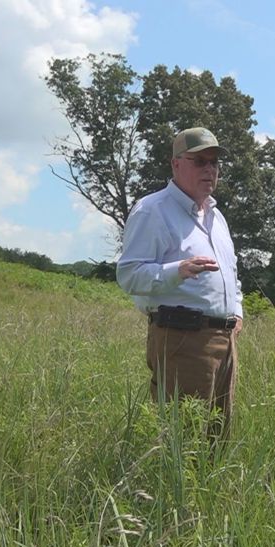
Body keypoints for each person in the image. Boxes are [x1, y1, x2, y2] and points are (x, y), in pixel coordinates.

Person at [117, 126, 243, 446]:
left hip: (224, 340)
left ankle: (209, 496)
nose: (210, 169)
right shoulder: (153, 210)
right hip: (181, 338)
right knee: (182, 440)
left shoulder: (217, 216)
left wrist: (236, 311)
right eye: (200, 161)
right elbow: (129, 275)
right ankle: (173, 496)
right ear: (176, 164)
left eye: (214, 162)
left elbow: (231, 272)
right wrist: (178, 270)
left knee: (218, 437)